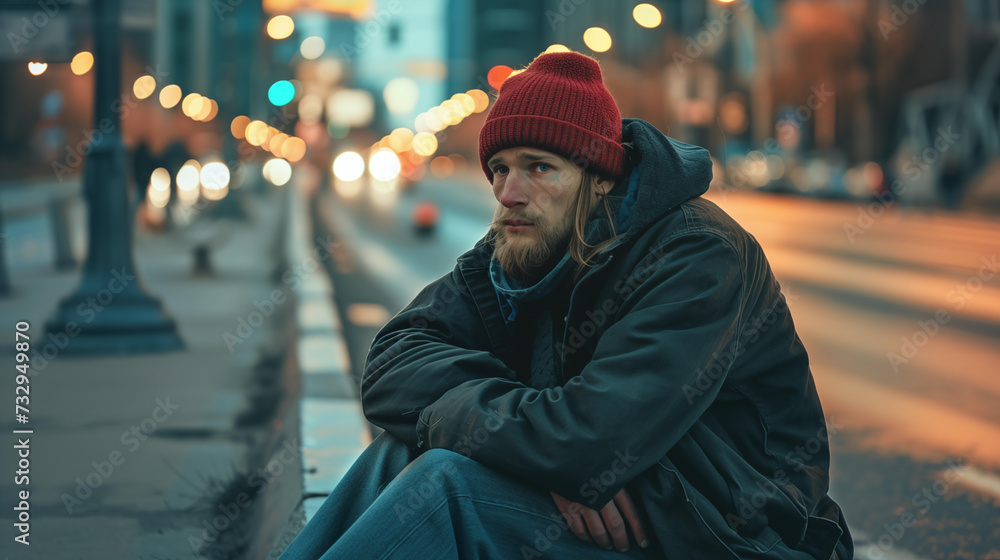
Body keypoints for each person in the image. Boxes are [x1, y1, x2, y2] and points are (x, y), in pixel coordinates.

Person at [278, 51, 853, 560]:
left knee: (450, 486)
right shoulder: (524, 244)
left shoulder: (697, 254)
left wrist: (547, 452)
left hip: (732, 537)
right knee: (397, 453)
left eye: (539, 167)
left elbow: (592, 440)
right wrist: (541, 451)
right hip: (640, 517)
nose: (510, 193)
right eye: (501, 169)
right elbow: (390, 366)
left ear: (599, 178)